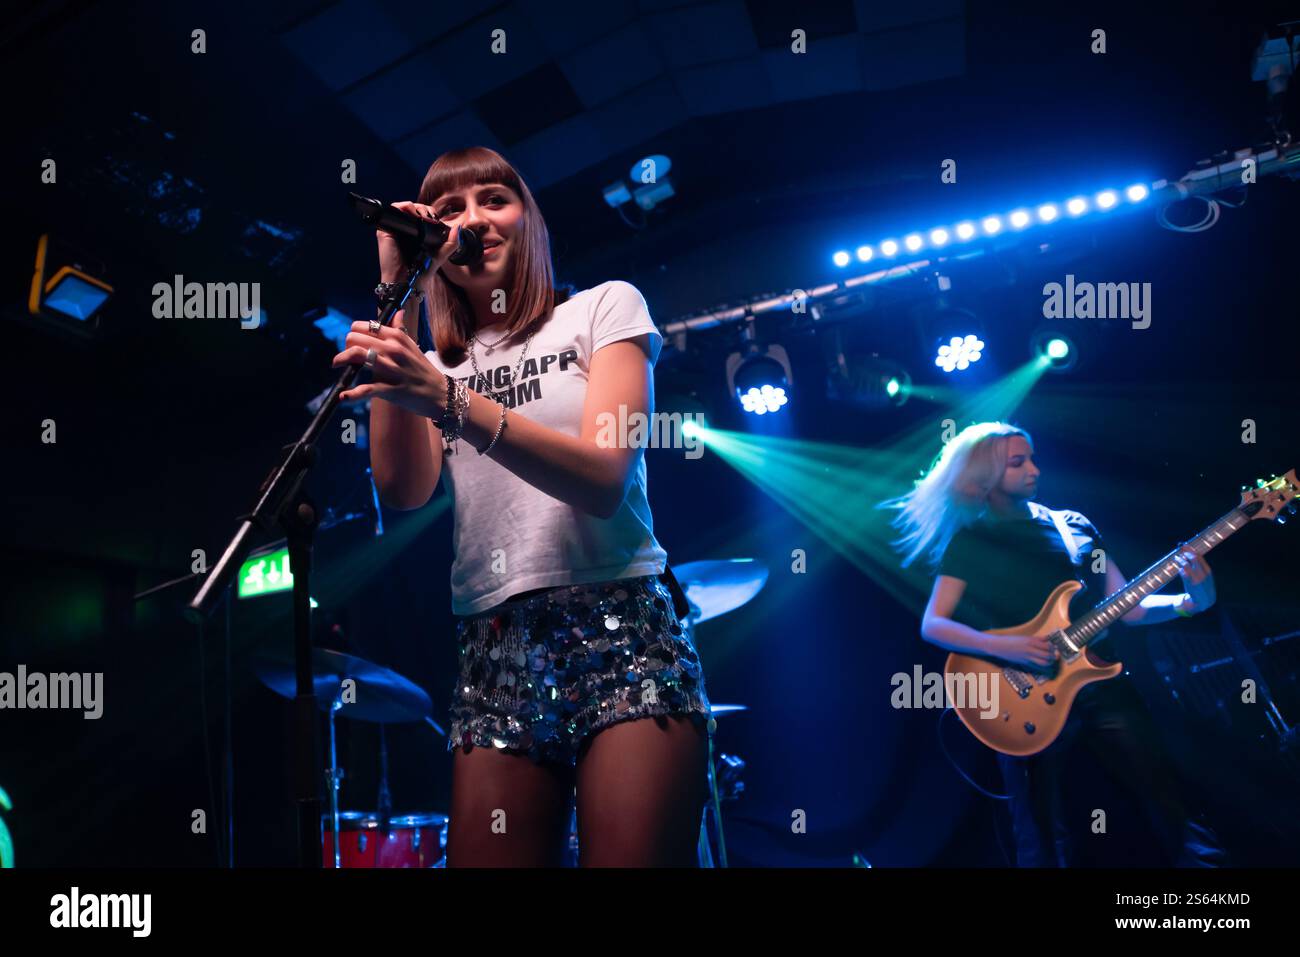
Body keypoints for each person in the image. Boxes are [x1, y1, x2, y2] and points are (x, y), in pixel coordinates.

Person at [332, 146, 710, 867]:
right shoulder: (435, 363)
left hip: (622, 631)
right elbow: (402, 492)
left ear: (527, 219)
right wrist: (398, 290)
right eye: (448, 211)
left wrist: (448, 401)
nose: (473, 218)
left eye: (493, 199)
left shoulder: (604, 308)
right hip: (493, 648)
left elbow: (604, 478)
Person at [883, 421, 1224, 866]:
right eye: (1017, 463)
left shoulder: (1074, 526)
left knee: (1168, 801)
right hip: (1022, 695)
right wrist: (1009, 648)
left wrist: (1190, 600)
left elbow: (1131, 608)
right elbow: (935, 624)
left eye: (1033, 458)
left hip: (1101, 685)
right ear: (985, 476)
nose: (1034, 470)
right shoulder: (973, 541)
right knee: (1042, 830)